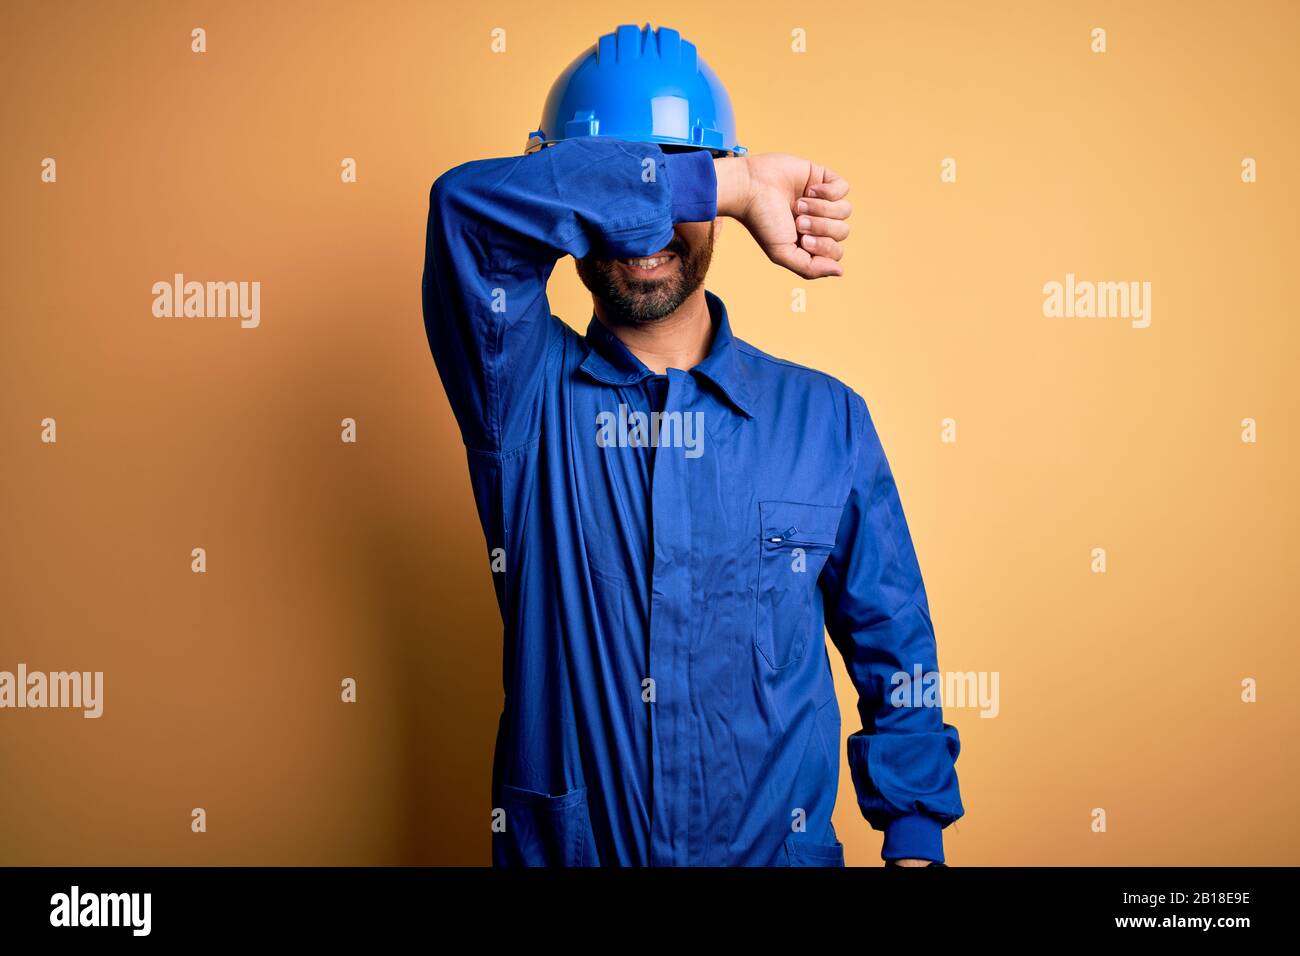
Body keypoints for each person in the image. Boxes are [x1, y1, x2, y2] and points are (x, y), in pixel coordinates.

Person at [421, 23, 963, 866]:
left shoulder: (826, 420)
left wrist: (916, 838)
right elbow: (466, 213)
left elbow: (897, 642)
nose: (648, 229)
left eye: (680, 179)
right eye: (635, 184)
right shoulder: (518, 398)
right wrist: (728, 183)